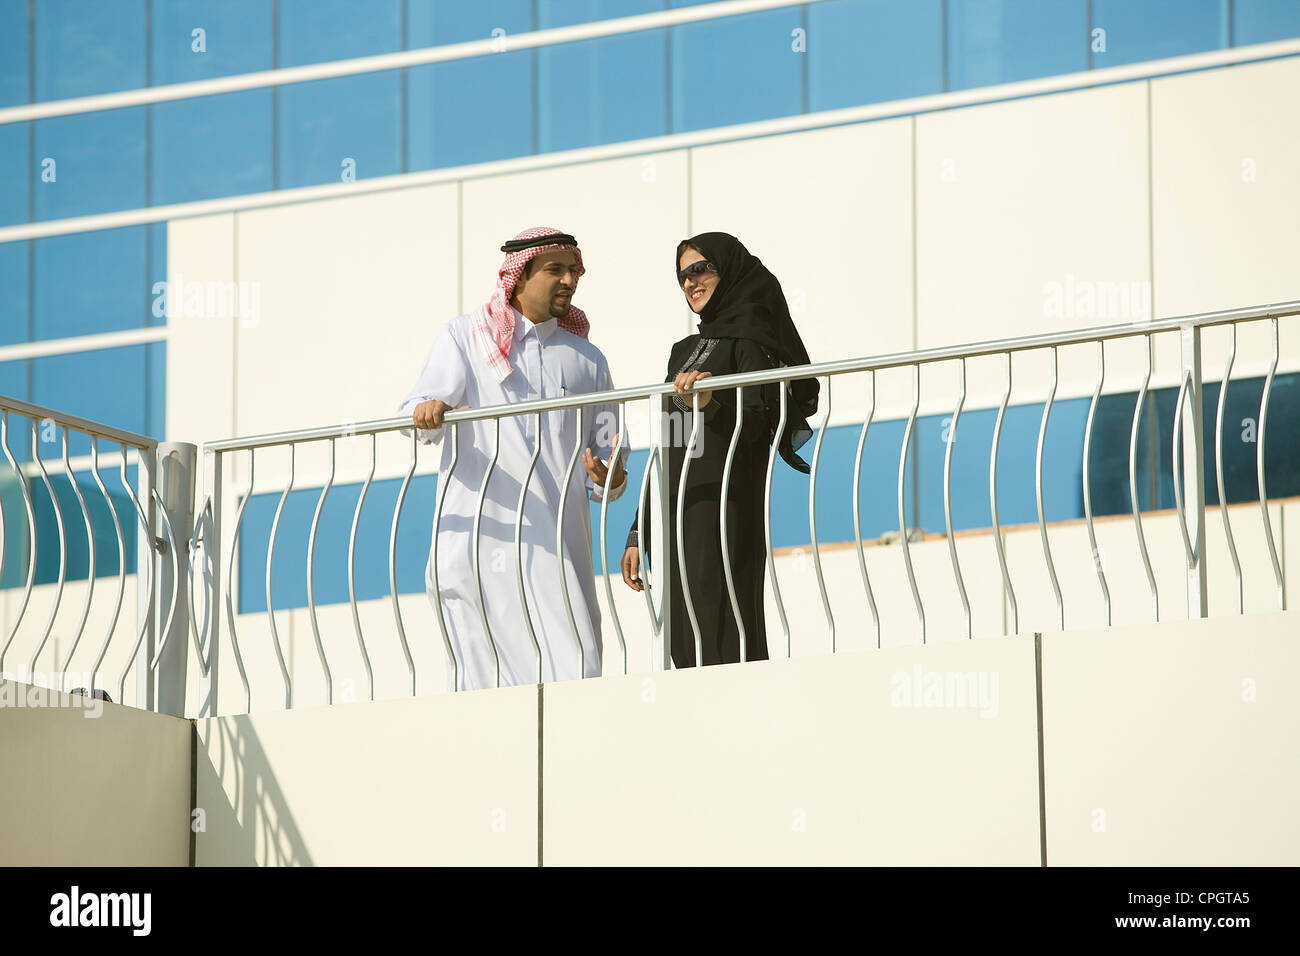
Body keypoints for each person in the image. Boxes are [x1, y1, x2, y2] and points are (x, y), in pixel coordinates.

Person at [400, 227, 628, 691]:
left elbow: (611, 454)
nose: (569, 280)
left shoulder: (589, 360)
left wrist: (611, 476)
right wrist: (428, 412)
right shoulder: (465, 337)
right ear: (518, 277)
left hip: (558, 546)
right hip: (481, 540)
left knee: (575, 665)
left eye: (574, 271)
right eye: (555, 270)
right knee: (483, 678)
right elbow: (414, 410)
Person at [620, 232, 818, 667]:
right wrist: (640, 530)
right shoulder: (682, 352)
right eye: (682, 276)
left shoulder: (753, 341)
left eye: (700, 269)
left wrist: (712, 402)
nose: (690, 282)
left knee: (729, 623)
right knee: (683, 630)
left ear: (729, 270)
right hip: (679, 508)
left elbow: (760, 423)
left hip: (727, 503)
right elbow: (669, 441)